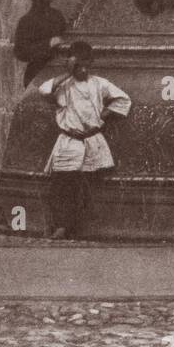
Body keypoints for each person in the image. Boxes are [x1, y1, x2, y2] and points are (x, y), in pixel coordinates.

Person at [39, 40, 131, 240]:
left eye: (85, 65)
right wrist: (68, 73)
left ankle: (80, 226)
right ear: (71, 65)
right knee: (62, 185)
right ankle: (62, 225)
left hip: (91, 141)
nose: (82, 69)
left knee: (84, 186)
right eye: (78, 65)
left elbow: (123, 99)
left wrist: (103, 116)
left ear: (90, 64)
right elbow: (44, 90)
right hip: (69, 142)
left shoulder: (99, 83)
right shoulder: (64, 86)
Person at [13, 0, 68, 88]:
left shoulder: (58, 16)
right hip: (36, 75)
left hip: (58, 74)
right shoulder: (26, 21)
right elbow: (20, 52)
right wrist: (48, 44)